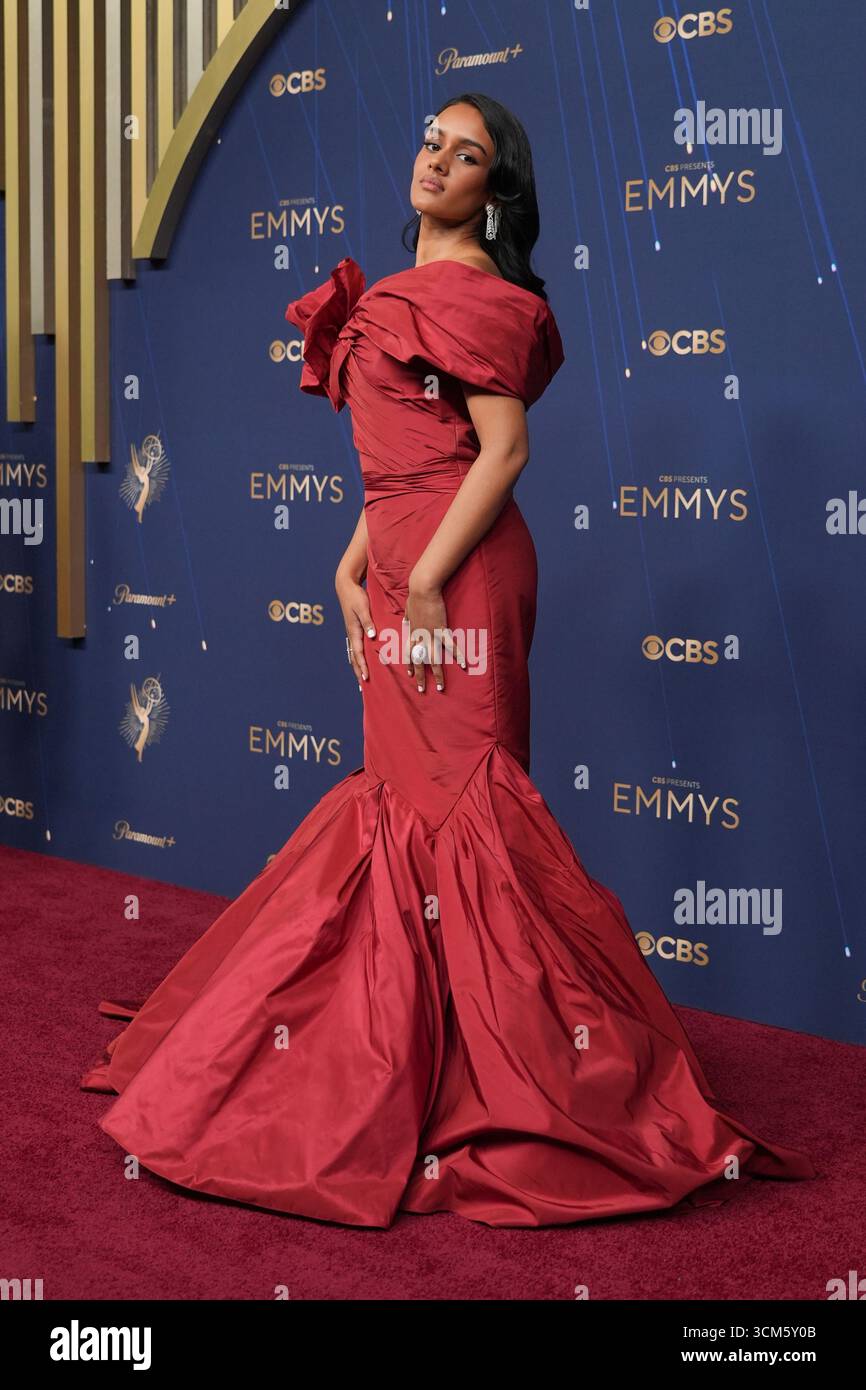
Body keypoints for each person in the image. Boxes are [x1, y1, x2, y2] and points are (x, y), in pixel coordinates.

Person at [81, 94, 816, 1228]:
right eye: (428, 137)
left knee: (467, 809)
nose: (434, 159)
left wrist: (423, 581)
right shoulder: (391, 293)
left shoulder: (478, 295)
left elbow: (501, 447)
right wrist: (353, 565)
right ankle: (407, 1055)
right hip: (400, 558)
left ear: (494, 191)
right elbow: (406, 460)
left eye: (464, 155)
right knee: (398, 808)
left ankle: (515, 1073)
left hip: (460, 573)